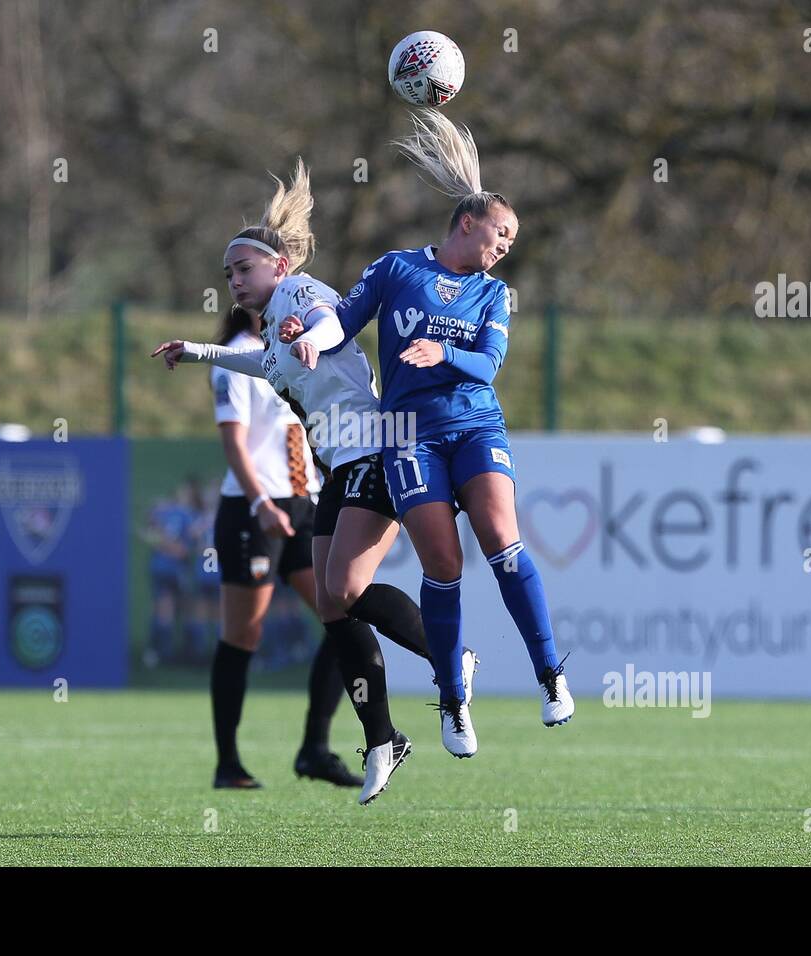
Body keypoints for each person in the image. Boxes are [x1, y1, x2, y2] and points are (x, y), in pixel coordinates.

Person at [152, 159, 476, 804]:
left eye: (243, 269)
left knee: (346, 588)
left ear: (279, 266)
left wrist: (315, 338)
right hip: (339, 466)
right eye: (228, 274)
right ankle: (382, 739)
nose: (234, 281)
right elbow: (262, 360)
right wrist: (199, 352)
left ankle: (452, 658)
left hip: (375, 452)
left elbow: (336, 319)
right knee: (332, 604)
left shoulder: (303, 297)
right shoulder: (275, 321)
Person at [286, 110, 575, 759]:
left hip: (474, 425)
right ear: (466, 222)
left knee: (503, 541)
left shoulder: (493, 296)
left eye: (512, 240)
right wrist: (309, 339)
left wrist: (438, 355)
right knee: (442, 565)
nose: (505, 246)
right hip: (407, 435)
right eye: (501, 232)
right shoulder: (396, 269)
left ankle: (551, 674)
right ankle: (453, 699)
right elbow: (343, 320)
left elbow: (488, 364)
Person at [193, 298, 358, 791]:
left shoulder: (288, 350)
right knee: (243, 636)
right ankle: (228, 764)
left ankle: (315, 749)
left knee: (342, 620)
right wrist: (261, 502)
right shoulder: (238, 357)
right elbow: (234, 442)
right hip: (254, 511)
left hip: (303, 502)